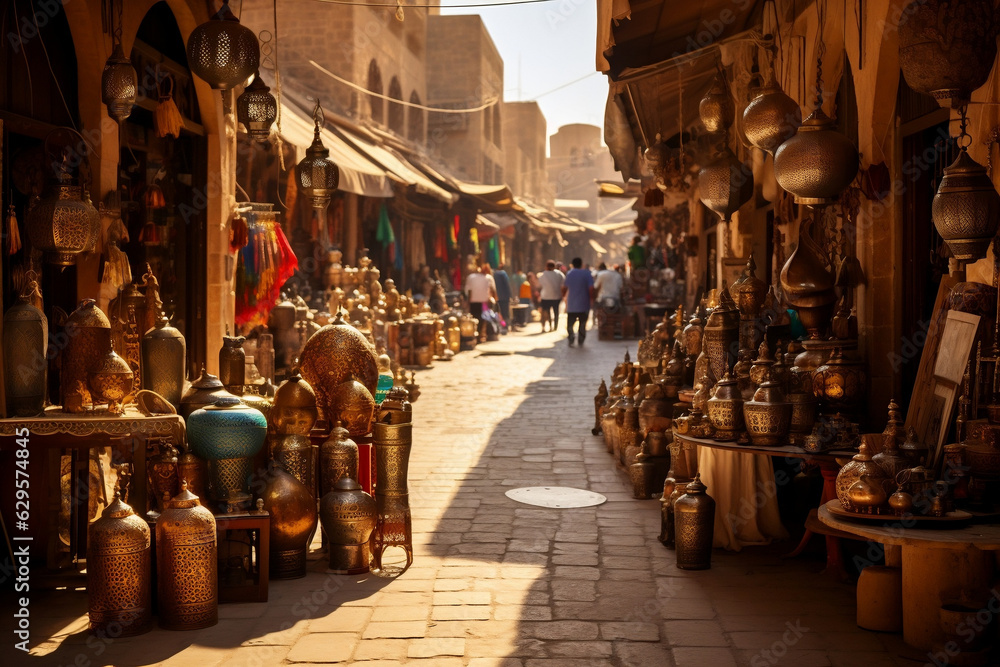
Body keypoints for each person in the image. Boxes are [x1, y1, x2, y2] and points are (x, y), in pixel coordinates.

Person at [562, 257, 594, 347]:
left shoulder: (569, 274)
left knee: (570, 324)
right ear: (581, 264)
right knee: (582, 324)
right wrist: (592, 299)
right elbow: (591, 288)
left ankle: (571, 338)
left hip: (572, 305)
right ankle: (581, 340)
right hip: (584, 304)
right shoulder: (587, 273)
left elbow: (564, 287)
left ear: (572, 264)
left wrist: (563, 297)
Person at [464, 264, 496, 342]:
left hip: (473, 301)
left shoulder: (471, 277)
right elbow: (492, 290)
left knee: (474, 318)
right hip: (484, 301)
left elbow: (467, 290)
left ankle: (475, 335)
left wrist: (467, 301)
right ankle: (480, 335)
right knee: (482, 319)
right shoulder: (488, 278)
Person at [538, 260, 565, 332]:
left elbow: (539, 286)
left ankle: (549, 326)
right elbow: (563, 285)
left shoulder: (543, 275)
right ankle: (555, 327)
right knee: (556, 312)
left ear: (546, 267)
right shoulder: (559, 274)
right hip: (557, 296)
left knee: (547, 312)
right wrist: (563, 295)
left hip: (545, 297)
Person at [493, 263, 512, 334]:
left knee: (498, 313)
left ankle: (500, 327)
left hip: (497, 297)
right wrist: (510, 295)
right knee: (505, 313)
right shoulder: (503, 274)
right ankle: (505, 327)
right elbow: (507, 285)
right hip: (504, 297)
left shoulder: (494, 274)